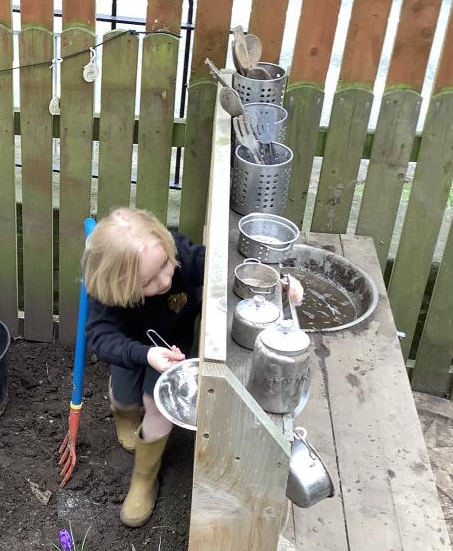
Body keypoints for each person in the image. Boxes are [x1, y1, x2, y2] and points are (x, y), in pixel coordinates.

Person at [83, 207, 301, 527]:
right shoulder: (107, 295)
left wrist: (275, 284)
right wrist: (142, 355)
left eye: (165, 265)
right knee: (124, 398)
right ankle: (124, 415)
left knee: (156, 405)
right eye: (149, 281)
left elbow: (226, 269)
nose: (165, 280)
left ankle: (144, 479)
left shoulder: (179, 254)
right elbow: (100, 339)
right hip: (130, 351)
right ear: (120, 286)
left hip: (173, 353)